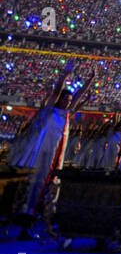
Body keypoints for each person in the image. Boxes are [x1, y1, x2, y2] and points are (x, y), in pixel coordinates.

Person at [13, 60, 94, 238]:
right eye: (65, 99)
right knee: (35, 190)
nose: (68, 102)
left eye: (69, 100)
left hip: (55, 160)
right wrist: (65, 75)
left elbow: (78, 95)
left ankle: (42, 223)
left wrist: (90, 81)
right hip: (43, 157)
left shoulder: (66, 114)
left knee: (50, 191)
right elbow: (57, 92)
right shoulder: (50, 110)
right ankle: (26, 225)